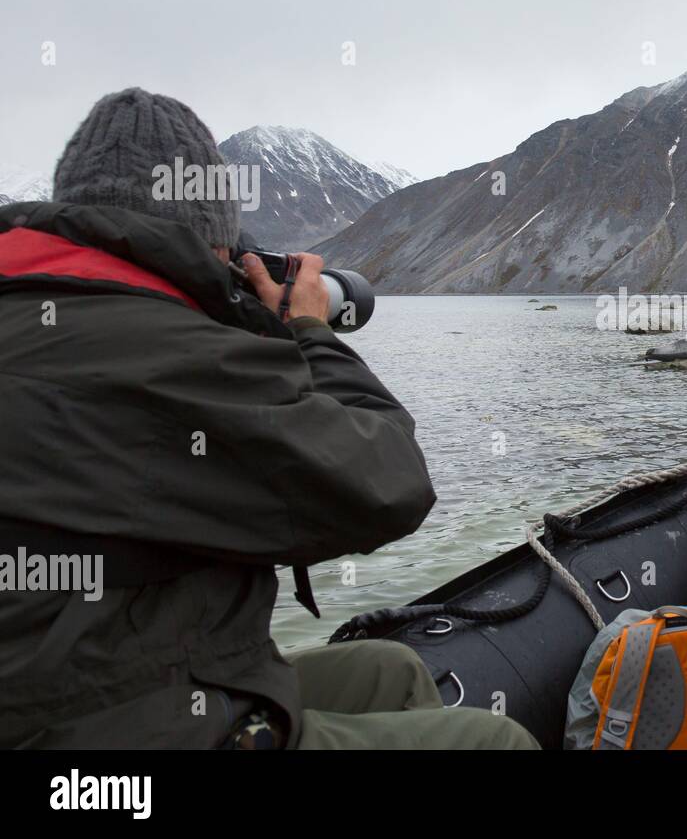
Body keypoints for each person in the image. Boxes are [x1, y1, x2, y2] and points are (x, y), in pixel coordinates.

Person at [0, 88, 537, 749]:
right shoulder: (178, 357)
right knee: (497, 742)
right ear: (211, 238)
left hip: (109, 688)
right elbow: (390, 484)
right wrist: (310, 331)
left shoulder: (40, 312)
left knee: (388, 672)